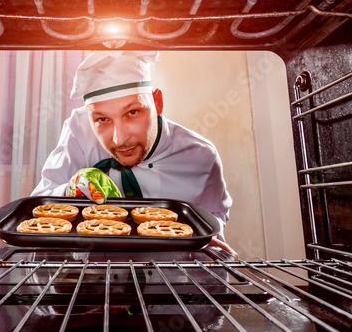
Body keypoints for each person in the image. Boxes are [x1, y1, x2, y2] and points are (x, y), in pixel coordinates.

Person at [32, 51, 237, 257]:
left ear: (157, 102)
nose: (119, 139)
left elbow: (214, 215)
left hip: (172, 272)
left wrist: (201, 240)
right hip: (95, 272)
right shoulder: (79, 131)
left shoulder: (200, 156)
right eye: (102, 119)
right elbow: (37, 206)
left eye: (132, 113)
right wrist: (69, 190)